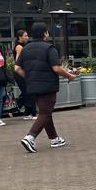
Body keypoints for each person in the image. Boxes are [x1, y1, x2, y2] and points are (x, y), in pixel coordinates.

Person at [16, 22, 78, 152]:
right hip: (47, 85)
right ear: (45, 33)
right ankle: (30, 137)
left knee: (45, 111)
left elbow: (17, 68)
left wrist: (29, 77)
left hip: (33, 85)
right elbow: (56, 68)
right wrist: (69, 76)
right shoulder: (50, 48)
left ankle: (54, 138)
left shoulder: (25, 48)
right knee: (45, 112)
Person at [13, 29, 37, 120]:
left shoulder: (24, 46)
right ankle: (31, 113)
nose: (27, 37)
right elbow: (18, 61)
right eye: (25, 36)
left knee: (26, 92)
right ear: (20, 37)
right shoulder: (19, 47)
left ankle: (26, 112)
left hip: (23, 71)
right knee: (28, 92)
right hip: (20, 72)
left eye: (27, 35)